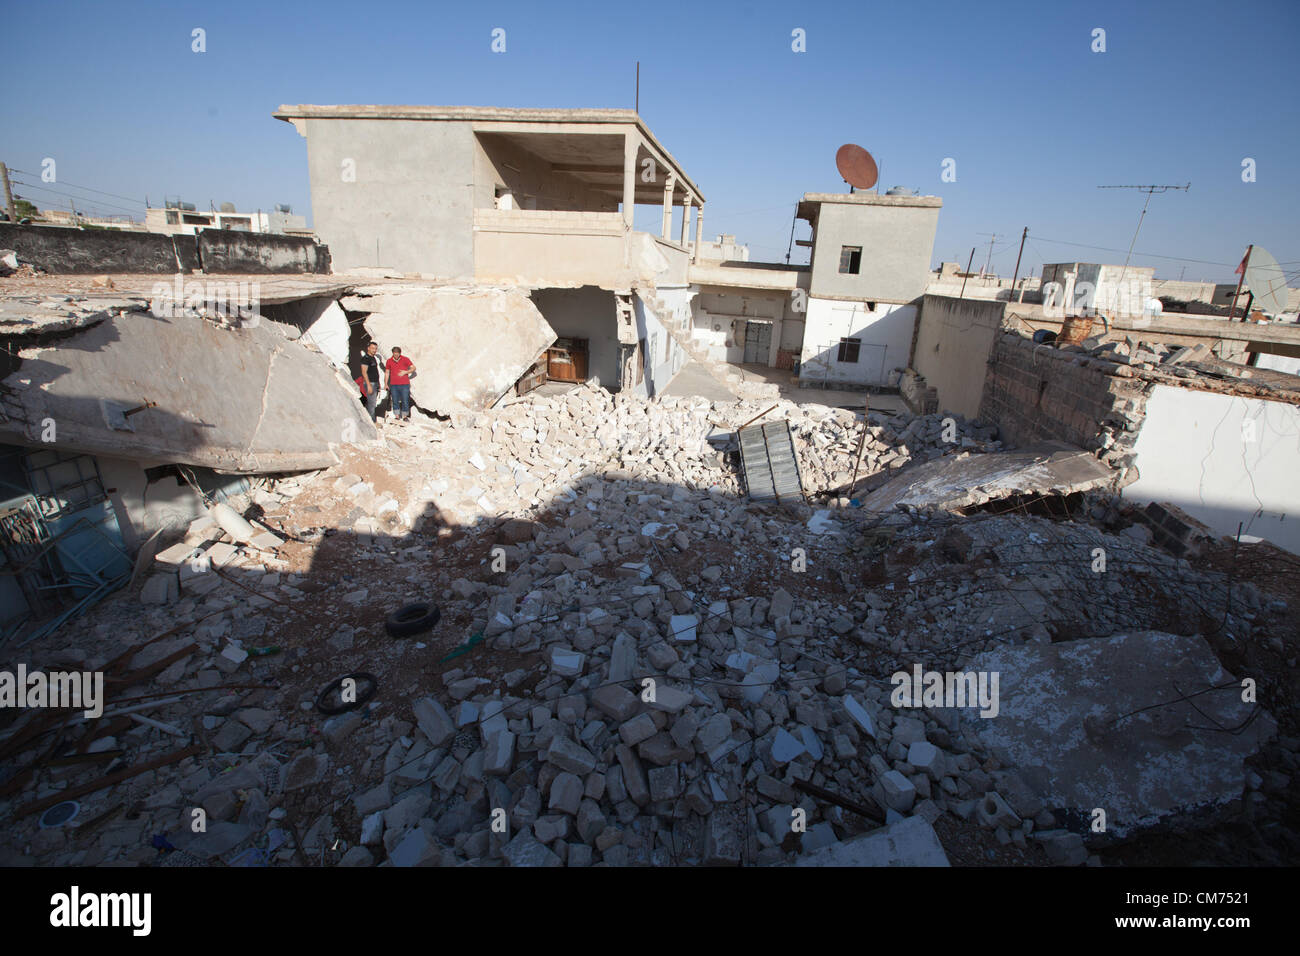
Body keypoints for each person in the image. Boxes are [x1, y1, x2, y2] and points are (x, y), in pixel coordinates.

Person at [385, 346, 416, 421]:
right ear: (392, 353)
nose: (396, 354)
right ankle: (397, 416)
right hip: (393, 385)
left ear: (400, 353)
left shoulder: (405, 359)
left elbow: (413, 368)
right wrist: (386, 383)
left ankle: (405, 416)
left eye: (397, 353)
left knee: (405, 400)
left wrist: (406, 372)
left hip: (405, 384)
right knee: (395, 400)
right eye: (394, 353)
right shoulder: (389, 361)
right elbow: (387, 372)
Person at [358, 342, 382, 422]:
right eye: (372, 348)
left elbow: (375, 372)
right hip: (370, 383)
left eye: (375, 348)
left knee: (371, 403)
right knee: (371, 404)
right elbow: (364, 372)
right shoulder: (365, 358)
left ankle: (369, 420)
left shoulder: (373, 358)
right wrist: (368, 385)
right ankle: (372, 422)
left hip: (374, 383)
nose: (374, 350)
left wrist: (378, 383)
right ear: (368, 348)